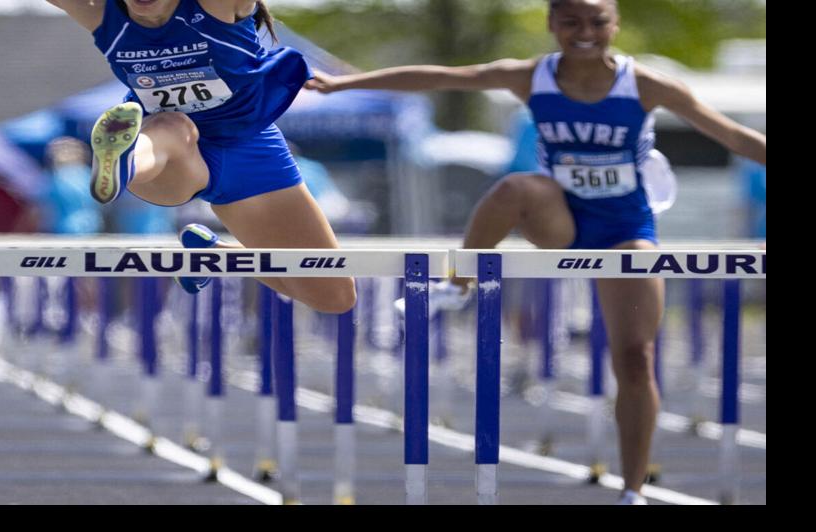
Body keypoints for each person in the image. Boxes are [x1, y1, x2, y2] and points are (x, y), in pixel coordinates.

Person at [306, 0, 766, 504]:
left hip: (625, 227)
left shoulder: (645, 84)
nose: (585, 33)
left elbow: (732, 135)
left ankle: (633, 489)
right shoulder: (530, 77)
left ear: (614, 25)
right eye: (571, 22)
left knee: (636, 358)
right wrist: (344, 84)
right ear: (552, 25)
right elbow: (441, 76)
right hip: (561, 219)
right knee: (516, 189)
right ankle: (456, 286)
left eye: (598, 22)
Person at [44, 0, 355, 314]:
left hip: (251, 156)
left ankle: (213, 254)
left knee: (334, 297)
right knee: (173, 125)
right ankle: (124, 163)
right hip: (170, 161)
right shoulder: (99, 11)